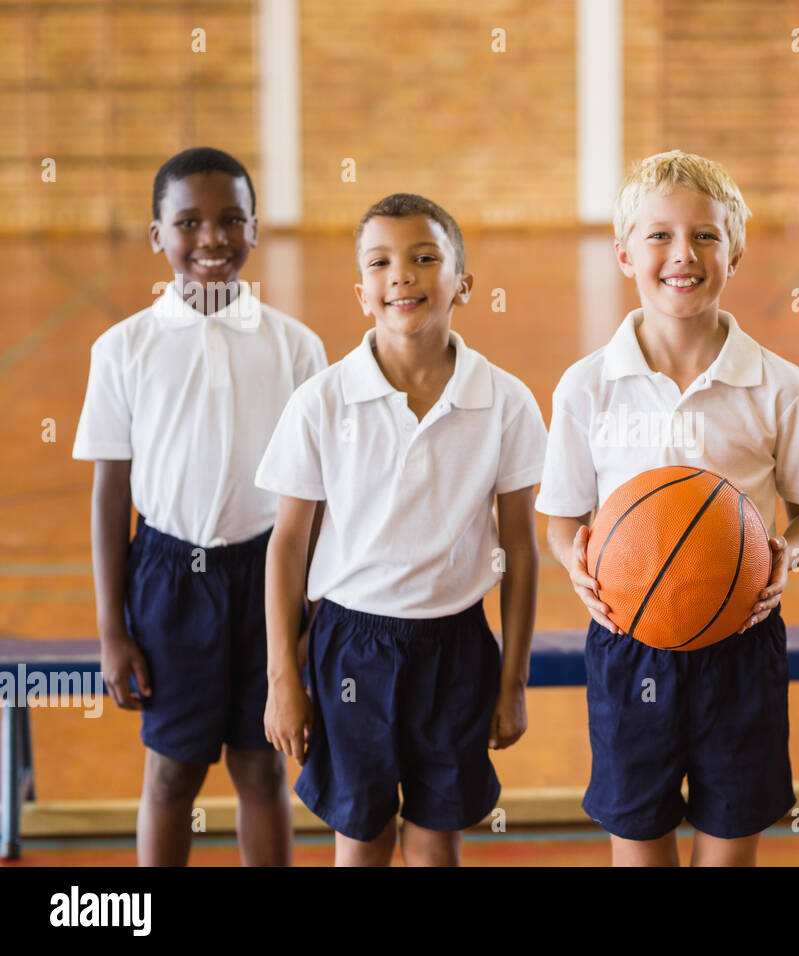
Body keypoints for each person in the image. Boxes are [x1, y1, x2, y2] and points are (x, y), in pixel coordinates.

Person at [536, 150, 799, 866]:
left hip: (741, 640)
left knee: (730, 851)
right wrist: (576, 566)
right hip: (629, 641)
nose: (683, 254)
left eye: (705, 235)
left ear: (735, 250)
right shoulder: (588, 385)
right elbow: (562, 520)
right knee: (639, 847)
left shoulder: (778, 384)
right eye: (659, 235)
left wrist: (785, 556)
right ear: (624, 253)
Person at [257, 193, 547, 866]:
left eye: (425, 258)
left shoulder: (504, 402)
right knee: (361, 839)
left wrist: (514, 682)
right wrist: (282, 681)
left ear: (463, 284)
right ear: (362, 292)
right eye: (381, 262)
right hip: (350, 647)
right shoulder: (321, 402)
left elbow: (522, 552)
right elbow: (288, 547)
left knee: (435, 839)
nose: (402, 275)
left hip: (456, 646)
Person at [73, 147, 327, 865]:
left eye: (230, 220)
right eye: (189, 221)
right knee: (172, 773)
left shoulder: (296, 348)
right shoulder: (123, 350)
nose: (212, 238)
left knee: (261, 765)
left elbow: (318, 497)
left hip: (268, 577)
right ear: (158, 235)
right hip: (166, 579)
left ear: (255, 228)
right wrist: (110, 629)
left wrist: (311, 608)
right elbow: (110, 490)